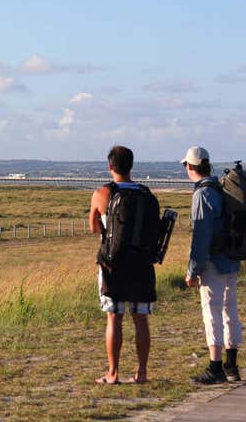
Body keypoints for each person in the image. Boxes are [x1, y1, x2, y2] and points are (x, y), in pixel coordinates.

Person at [90, 145, 156, 384]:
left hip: (112, 265)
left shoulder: (102, 194)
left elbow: (94, 227)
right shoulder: (146, 194)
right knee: (140, 318)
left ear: (110, 166)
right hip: (142, 264)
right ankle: (142, 373)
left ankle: (113, 372)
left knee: (114, 318)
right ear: (131, 166)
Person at [181, 146, 243, 384]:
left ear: (190, 167)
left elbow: (201, 237)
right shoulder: (221, 188)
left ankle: (215, 367)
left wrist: (192, 270)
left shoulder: (202, 194)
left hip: (213, 263)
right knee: (230, 312)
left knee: (212, 313)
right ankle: (231, 366)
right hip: (231, 259)